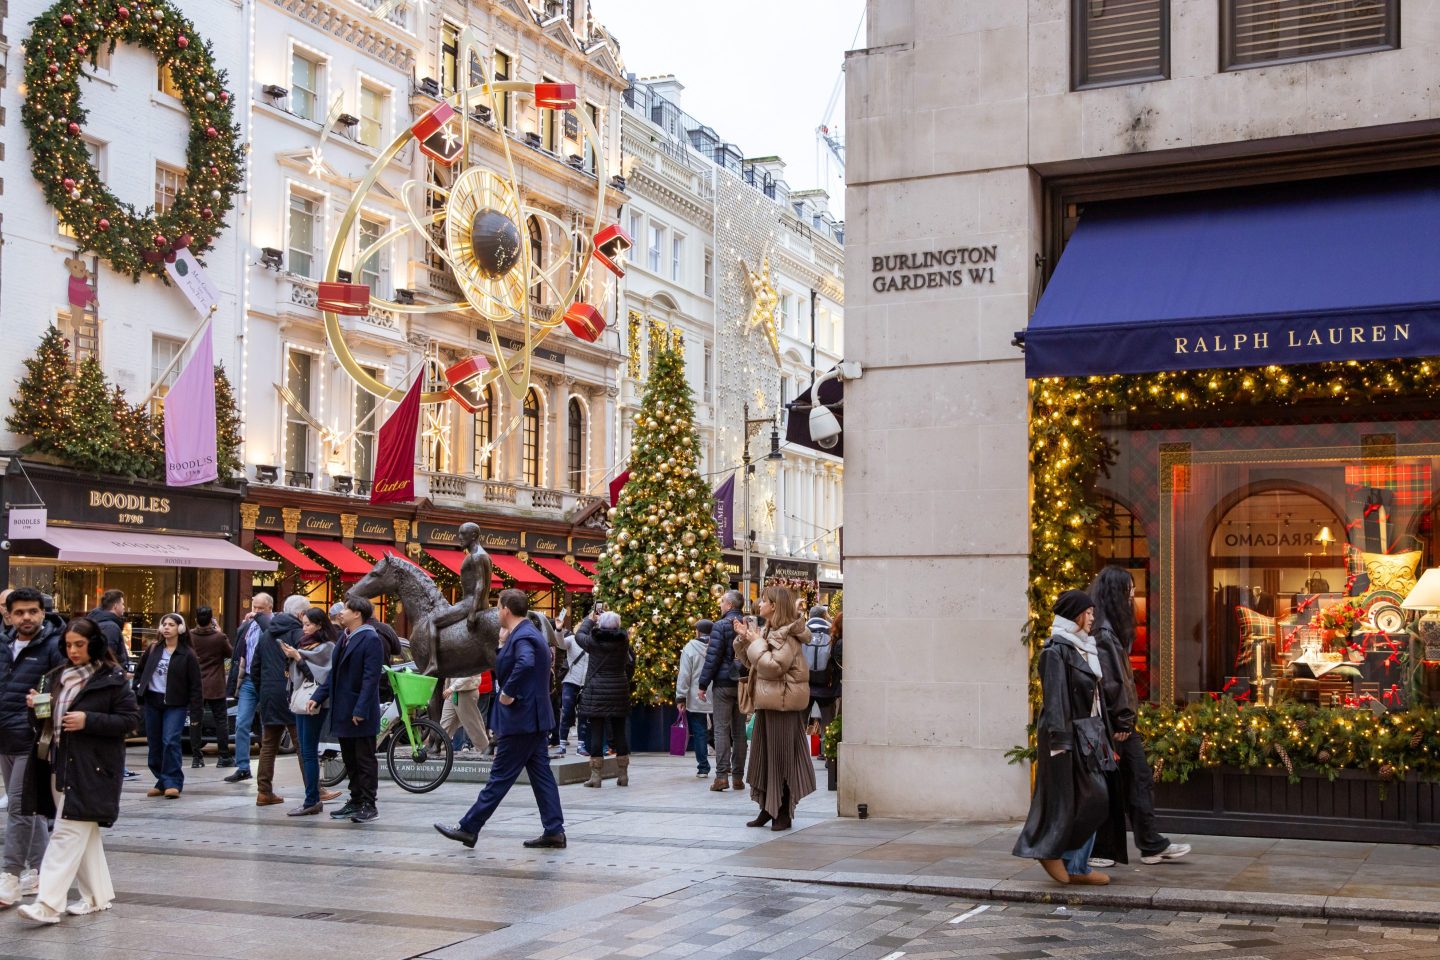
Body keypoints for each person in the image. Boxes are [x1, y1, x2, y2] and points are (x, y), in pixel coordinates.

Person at [15, 618, 139, 924]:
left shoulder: (112, 678)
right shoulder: (57, 676)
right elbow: (45, 727)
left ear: (93, 644)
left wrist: (89, 720)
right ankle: (97, 897)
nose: (73, 650)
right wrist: (37, 708)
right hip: (59, 765)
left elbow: (131, 721)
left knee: (67, 833)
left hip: (93, 770)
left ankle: (48, 904)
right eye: (68, 644)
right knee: (83, 832)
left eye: (79, 644)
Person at [433, 590, 566, 849]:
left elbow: (525, 664)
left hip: (522, 721)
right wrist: (503, 644)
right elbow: (518, 662)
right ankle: (554, 829)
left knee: (500, 777)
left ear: (505, 609)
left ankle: (469, 827)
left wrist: (508, 693)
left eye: (497, 607)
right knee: (541, 776)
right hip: (532, 719)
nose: (496, 612)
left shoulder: (524, 635)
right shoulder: (523, 634)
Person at [1012, 590, 1118, 886]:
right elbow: (1055, 701)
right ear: (1076, 615)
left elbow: (1095, 699)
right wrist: (1060, 745)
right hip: (1069, 737)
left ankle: (1076, 864)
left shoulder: (1086, 647)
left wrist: (1105, 738)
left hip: (1091, 735)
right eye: (1089, 611)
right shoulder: (1055, 651)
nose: (1093, 617)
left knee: (1096, 800)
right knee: (1089, 799)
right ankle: (1056, 853)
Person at [1088, 566, 1191, 869]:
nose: (1134, 595)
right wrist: (1122, 720)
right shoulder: (1106, 631)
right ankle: (1121, 848)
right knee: (1127, 780)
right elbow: (1111, 681)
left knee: (1131, 779)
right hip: (1113, 724)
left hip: (1115, 722)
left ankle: (1144, 845)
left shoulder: (1107, 628)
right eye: (1130, 589)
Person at [0, 588, 66, 906]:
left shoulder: (55, 645)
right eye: (20, 612)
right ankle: (40, 870)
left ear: (42, 612)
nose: (27, 617)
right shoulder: (3, 645)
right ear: (8, 615)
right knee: (35, 809)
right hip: (5, 738)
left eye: (33, 611)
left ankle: (9, 877)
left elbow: (64, 691)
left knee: (20, 808)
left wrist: (39, 705)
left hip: (33, 739)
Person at [734, 585, 815, 831]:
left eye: (764, 601)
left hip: (783, 705)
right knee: (763, 757)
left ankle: (782, 811)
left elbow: (773, 667)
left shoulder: (787, 635)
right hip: (768, 702)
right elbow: (755, 664)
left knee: (781, 760)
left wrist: (756, 641)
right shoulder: (770, 630)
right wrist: (745, 639)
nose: (759, 604)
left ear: (775, 606)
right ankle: (767, 808)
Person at [307, 596, 383, 824]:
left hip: (360, 712)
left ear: (357, 614)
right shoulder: (345, 637)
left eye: (347, 609)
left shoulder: (370, 638)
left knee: (364, 759)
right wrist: (318, 696)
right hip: (343, 709)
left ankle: (369, 804)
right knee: (350, 758)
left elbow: (371, 678)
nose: (341, 612)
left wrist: (361, 708)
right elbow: (335, 673)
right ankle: (356, 800)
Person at [133, 614, 202, 799]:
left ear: (180, 629)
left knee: (170, 740)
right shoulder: (154, 649)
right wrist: (138, 688)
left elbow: (196, 685)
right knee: (154, 744)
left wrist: (196, 712)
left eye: (171, 625)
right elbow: (139, 672)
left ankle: (172, 782)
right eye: (164, 624)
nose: (166, 628)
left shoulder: (187, 654)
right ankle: (162, 780)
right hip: (152, 702)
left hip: (176, 704)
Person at [280, 608, 338, 816]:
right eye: (302, 624)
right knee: (306, 751)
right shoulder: (304, 645)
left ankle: (312, 799)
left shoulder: (327, 647)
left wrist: (298, 657)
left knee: (309, 751)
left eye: (308, 624)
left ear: (319, 625)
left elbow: (318, 678)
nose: (304, 629)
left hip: (316, 702)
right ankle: (311, 798)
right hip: (301, 701)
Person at [252, 595, 307, 807]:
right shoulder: (298, 634)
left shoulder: (266, 635)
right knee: (302, 744)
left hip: (269, 694)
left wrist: (263, 689)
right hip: (292, 693)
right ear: (301, 615)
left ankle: (264, 791)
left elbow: (254, 668)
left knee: (268, 745)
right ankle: (314, 789)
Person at [576, 611, 633, 788]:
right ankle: (623, 775)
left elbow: (579, 635)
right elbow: (630, 663)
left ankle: (596, 776)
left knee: (596, 732)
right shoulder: (624, 642)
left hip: (596, 690)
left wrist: (590, 619)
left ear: (600, 625)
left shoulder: (593, 642)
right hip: (618, 689)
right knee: (619, 731)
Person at [698, 590, 747, 792]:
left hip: (723, 683)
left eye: (721, 602)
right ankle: (737, 777)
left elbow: (713, 657)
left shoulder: (720, 626)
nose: (720, 605)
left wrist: (702, 684)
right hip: (743, 683)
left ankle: (721, 776)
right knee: (739, 731)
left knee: (721, 729)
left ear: (728, 604)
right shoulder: (747, 625)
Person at [224, 593, 274, 784]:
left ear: (269, 608)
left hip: (267, 680)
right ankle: (243, 767)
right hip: (248, 680)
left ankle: (265, 767)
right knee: (241, 722)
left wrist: (260, 619)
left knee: (266, 725)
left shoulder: (273, 624)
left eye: (261, 608)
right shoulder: (247, 626)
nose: (256, 612)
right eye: (254, 607)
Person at [187, 606, 232, 769]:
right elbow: (230, 653)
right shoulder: (219, 637)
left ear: (196, 619)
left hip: (196, 685)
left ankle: (197, 758)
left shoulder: (189, 636)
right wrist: (220, 631)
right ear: (212, 619)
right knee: (221, 721)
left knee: (195, 721)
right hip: (215, 685)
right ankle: (224, 756)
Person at [675, 619, 714, 779]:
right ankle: (727, 766)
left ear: (698, 632)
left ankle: (703, 768)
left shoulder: (690, 647)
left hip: (696, 695)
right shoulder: (716, 646)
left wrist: (680, 697)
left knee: (699, 732)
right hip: (716, 694)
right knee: (721, 730)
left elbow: (684, 674)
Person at [562, 606, 597, 756]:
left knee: (584, 714)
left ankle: (581, 745)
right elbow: (560, 644)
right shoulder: (571, 640)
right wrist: (558, 630)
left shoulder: (593, 643)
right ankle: (562, 742)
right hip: (571, 681)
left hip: (587, 683)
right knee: (567, 712)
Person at [803, 606, 841, 739]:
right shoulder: (832, 631)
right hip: (826, 687)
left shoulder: (802, 630)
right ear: (825, 616)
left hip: (805, 686)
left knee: (799, 726)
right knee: (828, 726)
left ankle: (798, 757)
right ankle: (828, 757)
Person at [441, 672, 491, 758]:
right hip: (453, 692)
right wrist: (448, 687)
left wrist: (451, 688)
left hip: (466, 691)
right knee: (445, 724)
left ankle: (485, 750)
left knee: (473, 725)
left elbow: (471, 673)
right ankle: (439, 747)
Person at [84, 590, 131, 681]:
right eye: (122, 604)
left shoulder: (102, 622)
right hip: (110, 680)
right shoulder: (110, 627)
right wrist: (121, 674)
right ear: (115, 606)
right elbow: (108, 657)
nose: (124, 607)